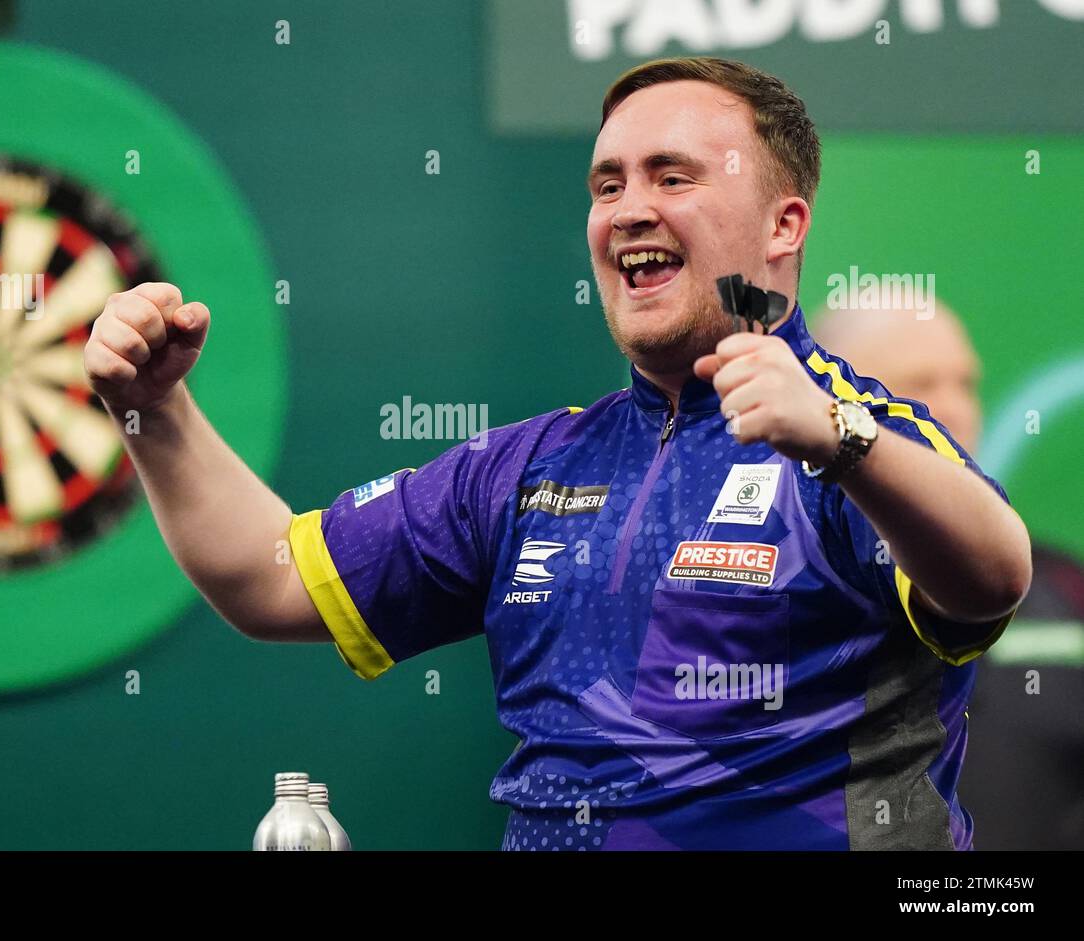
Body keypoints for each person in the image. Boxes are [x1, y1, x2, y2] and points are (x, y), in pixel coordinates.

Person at [83, 57, 1031, 850]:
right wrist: (156, 414)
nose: (627, 209)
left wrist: (839, 441)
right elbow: (270, 578)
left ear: (785, 225)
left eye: (672, 176)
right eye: (607, 184)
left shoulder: (859, 437)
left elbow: (992, 575)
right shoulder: (530, 467)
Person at [815, 300, 1084, 850]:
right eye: (919, 387)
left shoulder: (1066, 589)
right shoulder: (766, 594)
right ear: (828, 411)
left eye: (966, 384)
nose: (955, 409)